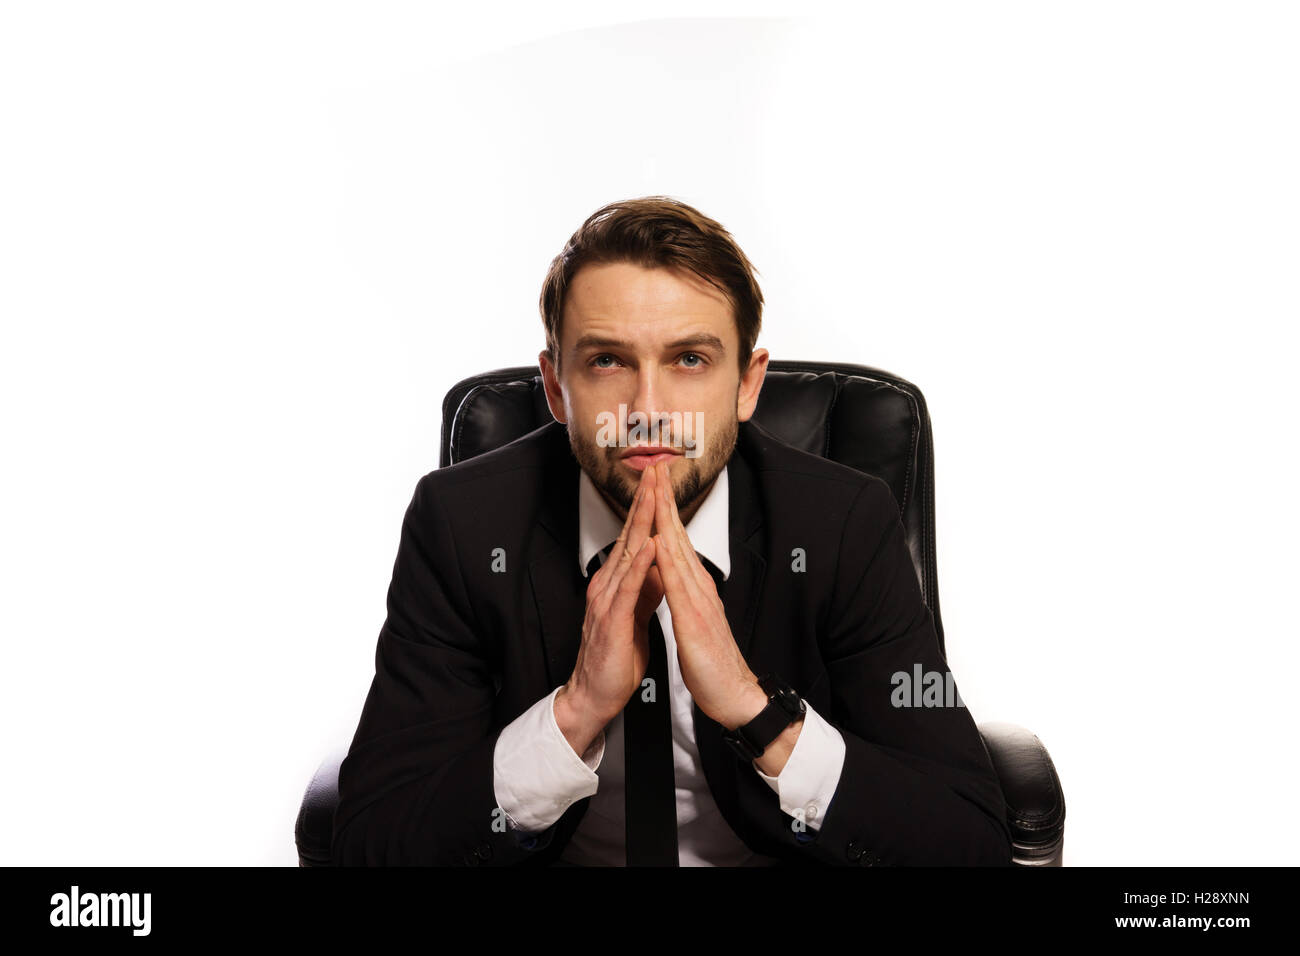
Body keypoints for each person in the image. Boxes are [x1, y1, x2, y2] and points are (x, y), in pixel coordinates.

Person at [330, 196, 1013, 866]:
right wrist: (573, 716)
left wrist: (755, 712)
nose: (648, 412)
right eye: (606, 360)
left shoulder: (843, 524)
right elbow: (375, 838)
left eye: (689, 359)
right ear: (557, 387)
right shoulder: (462, 525)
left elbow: (966, 838)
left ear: (748, 385)